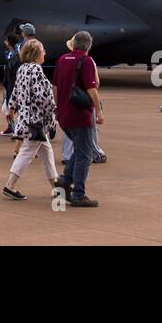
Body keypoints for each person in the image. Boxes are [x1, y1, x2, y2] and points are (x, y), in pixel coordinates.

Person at [3, 39, 60, 200]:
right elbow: (43, 96)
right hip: (36, 121)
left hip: (27, 119)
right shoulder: (36, 70)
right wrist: (54, 110)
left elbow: (15, 90)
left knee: (47, 152)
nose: (45, 53)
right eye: (42, 51)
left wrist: (11, 108)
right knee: (27, 152)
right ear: (36, 54)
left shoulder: (22, 69)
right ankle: (10, 185)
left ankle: (56, 186)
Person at [53, 31, 103, 207]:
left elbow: (55, 87)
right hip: (80, 114)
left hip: (64, 113)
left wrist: (57, 108)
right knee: (85, 155)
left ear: (73, 45)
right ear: (89, 45)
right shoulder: (87, 61)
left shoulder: (62, 59)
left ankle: (65, 181)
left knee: (80, 150)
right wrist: (99, 111)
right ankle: (78, 193)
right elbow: (92, 89)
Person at [0, 34, 21, 135]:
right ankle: (11, 127)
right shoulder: (9, 53)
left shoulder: (17, 54)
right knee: (6, 107)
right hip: (8, 83)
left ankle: (19, 129)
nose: (5, 42)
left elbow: (14, 69)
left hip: (15, 85)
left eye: (6, 40)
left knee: (17, 108)